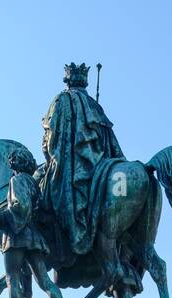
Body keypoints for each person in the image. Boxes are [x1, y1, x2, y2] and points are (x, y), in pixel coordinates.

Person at [40, 62, 124, 258]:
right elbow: (110, 141)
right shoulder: (95, 106)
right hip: (100, 163)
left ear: (67, 81)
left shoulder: (60, 100)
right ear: (85, 83)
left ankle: (57, 240)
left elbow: (50, 137)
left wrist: (49, 155)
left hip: (69, 166)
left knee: (43, 193)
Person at [0, 146, 73, 298]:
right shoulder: (34, 184)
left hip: (17, 236)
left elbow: (21, 207)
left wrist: (0, 217)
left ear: (14, 165)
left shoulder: (16, 180)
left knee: (12, 278)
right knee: (44, 281)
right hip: (34, 238)